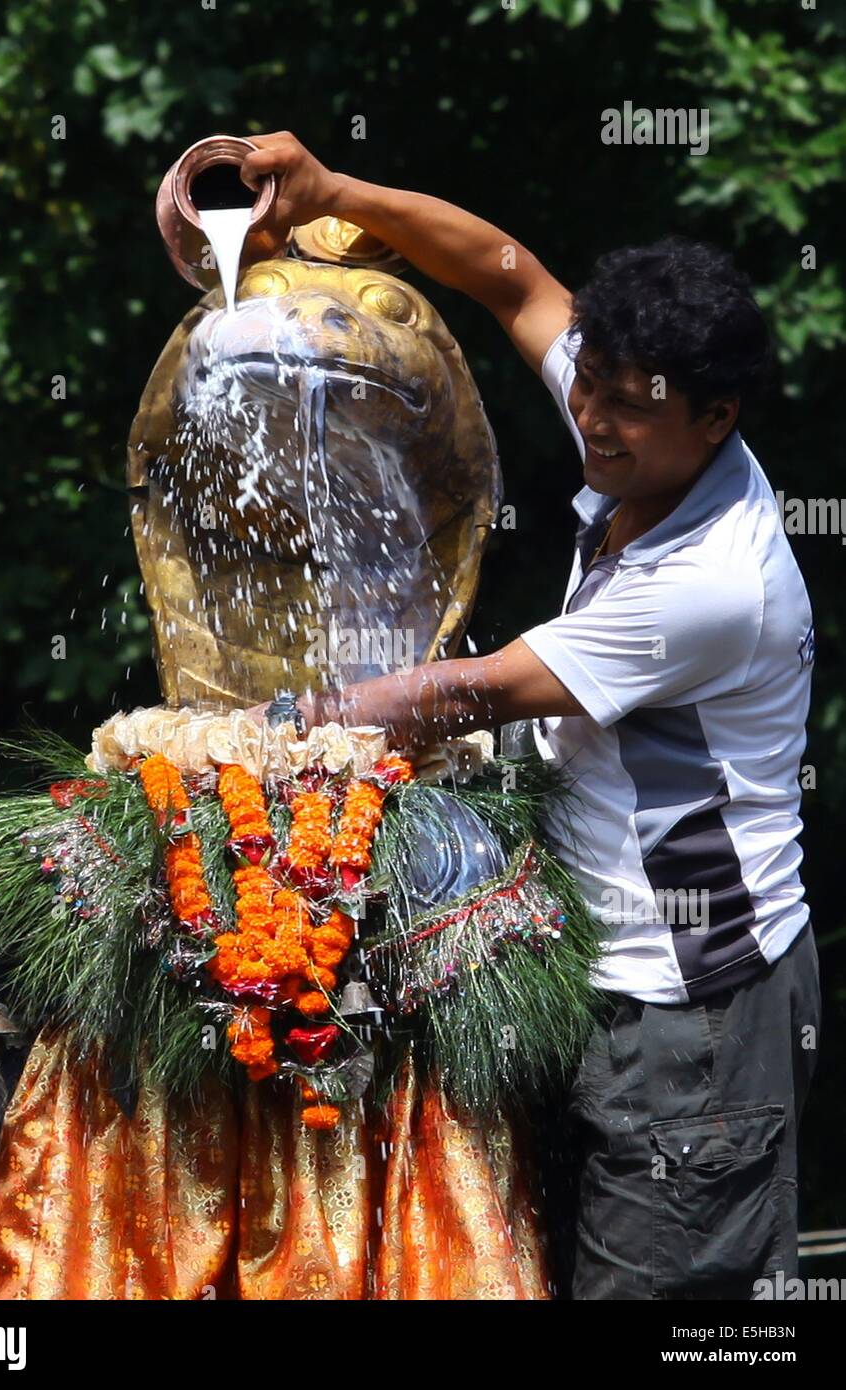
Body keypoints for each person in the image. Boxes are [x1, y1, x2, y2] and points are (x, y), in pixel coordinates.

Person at [242, 132, 821, 1300]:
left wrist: (268, 725)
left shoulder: (711, 583)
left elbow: (475, 688)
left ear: (714, 419)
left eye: (623, 409)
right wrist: (332, 191)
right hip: (608, 974)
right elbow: (507, 277)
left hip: (689, 1011)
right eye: (587, 389)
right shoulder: (642, 423)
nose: (593, 423)